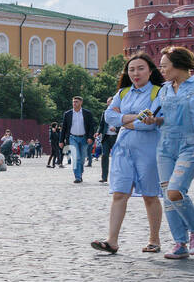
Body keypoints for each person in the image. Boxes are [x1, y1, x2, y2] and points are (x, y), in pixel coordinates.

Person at [91, 54, 165, 255]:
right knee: (119, 193)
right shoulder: (123, 93)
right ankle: (112, 240)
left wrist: (124, 121)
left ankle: (154, 239)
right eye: (131, 69)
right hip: (123, 150)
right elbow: (109, 117)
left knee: (150, 195)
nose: (135, 73)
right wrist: (133, 118)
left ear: (150, 71)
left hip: (148, 150)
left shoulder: (159, 92)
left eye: (140, 68)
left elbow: (152, 121)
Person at [152, 46, 194, 260]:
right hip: (165, 147)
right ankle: (179, 242)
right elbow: (161, 116)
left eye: (164, 65)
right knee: (166, 196)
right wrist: (153, 120)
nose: (161, 69)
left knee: (175, 190)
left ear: (178, 64)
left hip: (191, 145)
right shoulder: (164, 89)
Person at [61, 97, 94, 183]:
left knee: (82, 159)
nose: (74, 103)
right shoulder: (67, 114)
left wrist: (90, 137)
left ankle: (80, 172)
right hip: (72, 138)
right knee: (76, 157)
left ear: (81, 102)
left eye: (76, 102)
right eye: (73, 102)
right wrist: (61, 140)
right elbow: (63, 128)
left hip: (84, 138)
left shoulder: (87, 113)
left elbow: (91, 127)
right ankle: (77, 177)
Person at [99, 107, 118, 183]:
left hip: (116, 138)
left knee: (117, 157)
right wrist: (98, 132)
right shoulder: (105, 112)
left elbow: (124, 124)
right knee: (104, 156)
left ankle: (117, 177)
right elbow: (101, 124)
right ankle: (104, 177)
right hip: (106, 137)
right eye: (108, 103)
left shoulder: (120, 111)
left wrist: (116, 129)